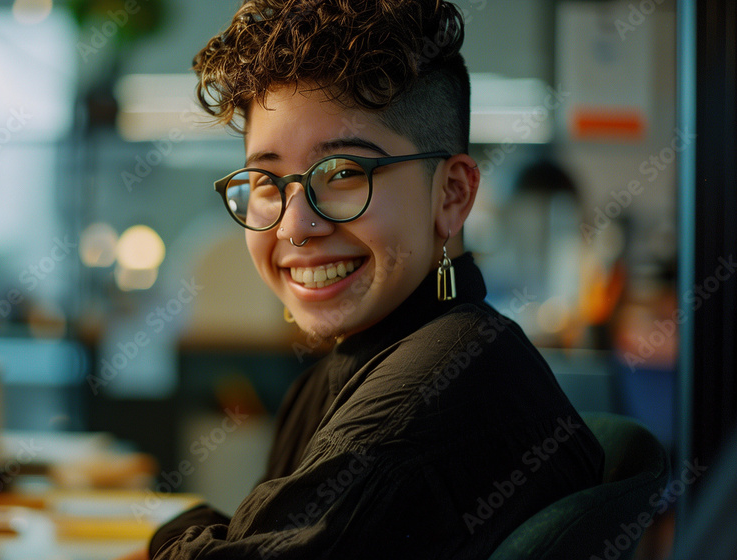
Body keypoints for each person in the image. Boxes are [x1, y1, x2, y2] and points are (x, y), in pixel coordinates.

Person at [123, 1, 605, 558]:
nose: (297, 226)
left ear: (451, 195)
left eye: (345, 173)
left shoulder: (424, 403)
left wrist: (169, 535)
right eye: (264, 180)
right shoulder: (351, 371)